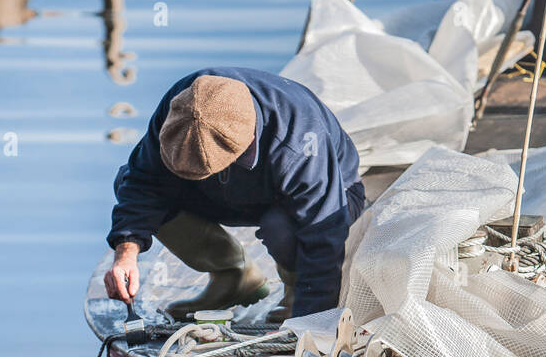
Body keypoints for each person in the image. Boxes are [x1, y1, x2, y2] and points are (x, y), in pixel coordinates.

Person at [104, 67, 365, 320]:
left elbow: (323, 236)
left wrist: (311, 324)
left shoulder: (298, 142)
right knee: (127, 182)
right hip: (229, 189)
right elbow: (142, 181)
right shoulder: (184, 103)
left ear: (244, 146)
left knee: (281, 227)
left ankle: (295, 291)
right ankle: (234, 276)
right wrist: (126, 254)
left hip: (328, 199)